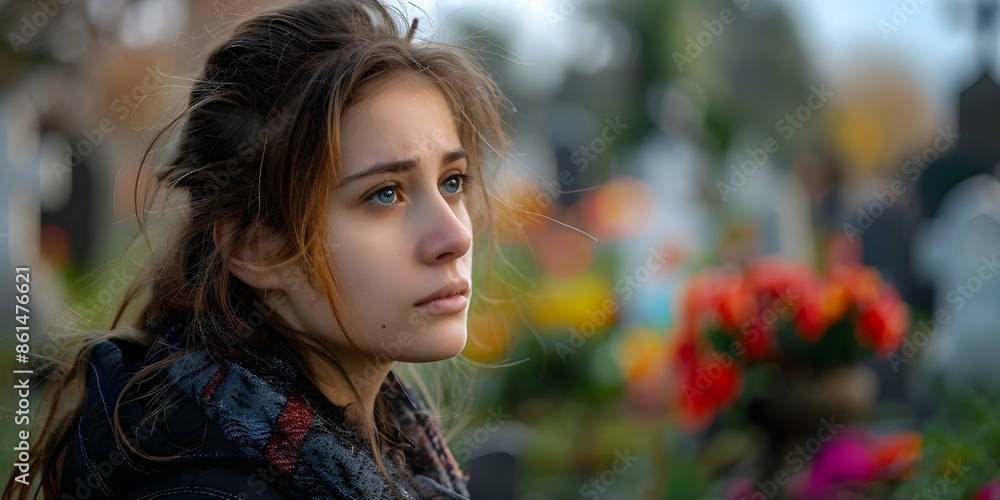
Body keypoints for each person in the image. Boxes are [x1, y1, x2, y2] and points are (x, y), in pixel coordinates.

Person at [3, 0, 511, 497]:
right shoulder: (207, 488)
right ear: (255, 249)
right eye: (384, 194)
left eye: (452, 182)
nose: (456, 237)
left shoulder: (378, 443)